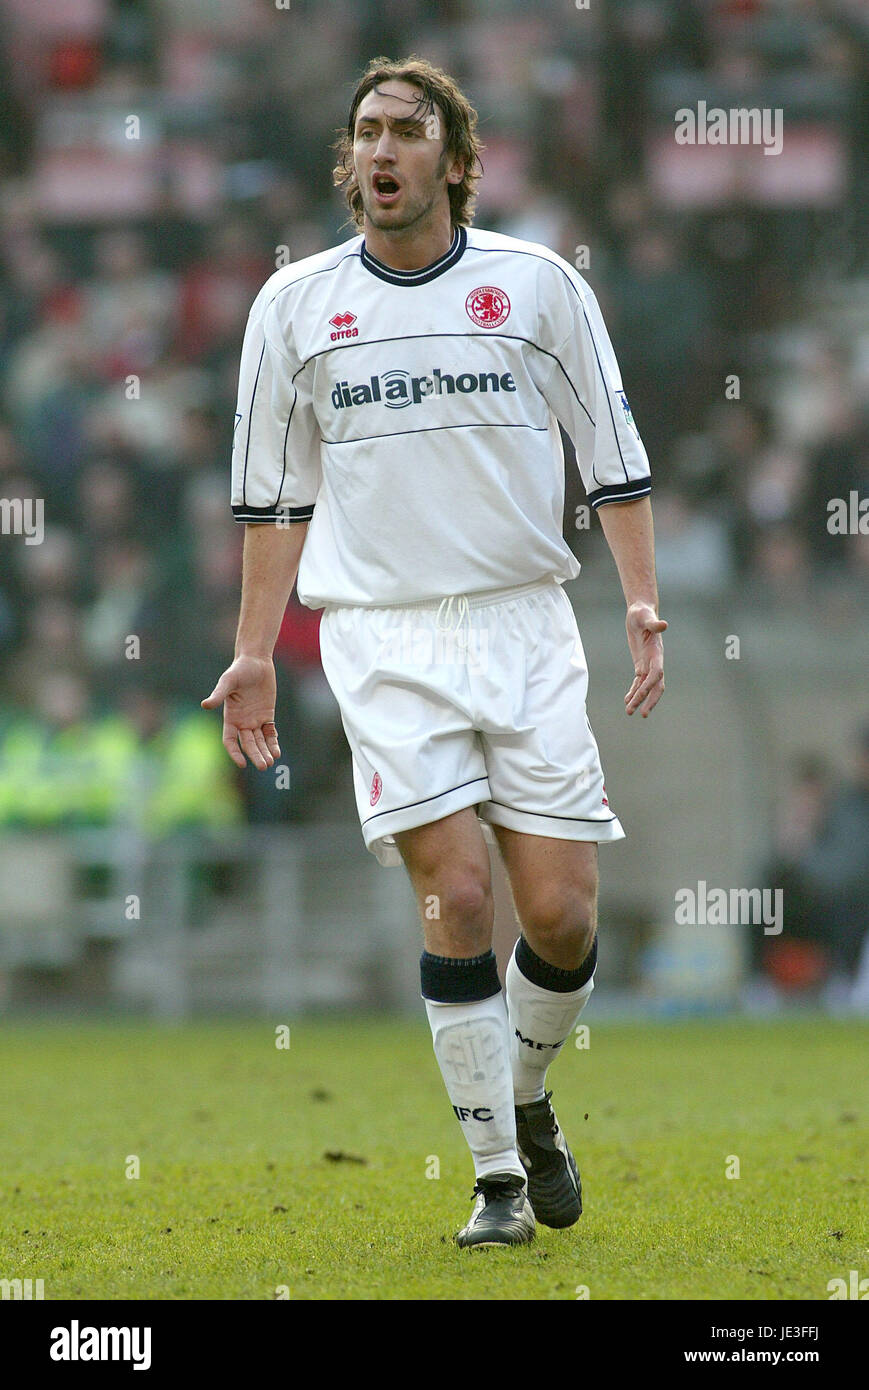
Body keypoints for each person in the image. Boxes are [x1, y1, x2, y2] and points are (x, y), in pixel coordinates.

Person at [203, 57, 666, 1249]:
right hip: (385, 635)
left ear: (457, 163)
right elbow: (269, 504)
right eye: (364, 134)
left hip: (523, 619)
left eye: (406, 133)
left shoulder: (538, 285)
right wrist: (253, 651)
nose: (381, 153)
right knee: (454, 893)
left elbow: (609, 450)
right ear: (347, 161)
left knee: (558, 916)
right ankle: (496, 1182)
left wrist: (641, 602)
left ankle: (522, 1095)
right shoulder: (293, 307)